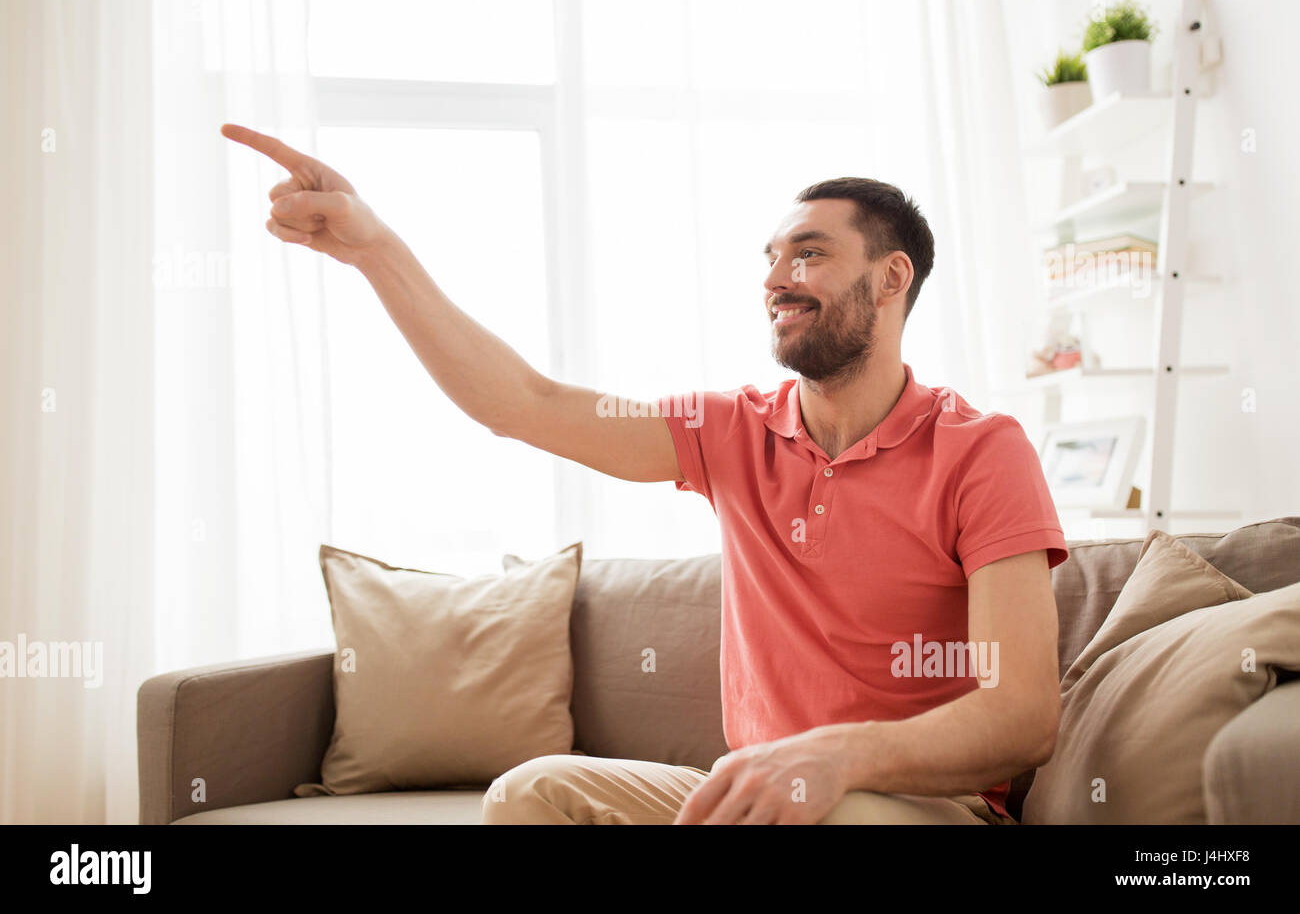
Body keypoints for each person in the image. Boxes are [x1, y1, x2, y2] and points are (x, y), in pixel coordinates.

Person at [221, 123, 1069, 825]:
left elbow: (1021, 715)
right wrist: (377, 253)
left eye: (807, 255)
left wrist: (833, 754)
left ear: (892, 278)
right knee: (531, 796)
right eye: (770, 259)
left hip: (926, 807)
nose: (775, 279)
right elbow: (523, 402)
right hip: (761, 798)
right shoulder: (733, 430)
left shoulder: (980, 450)